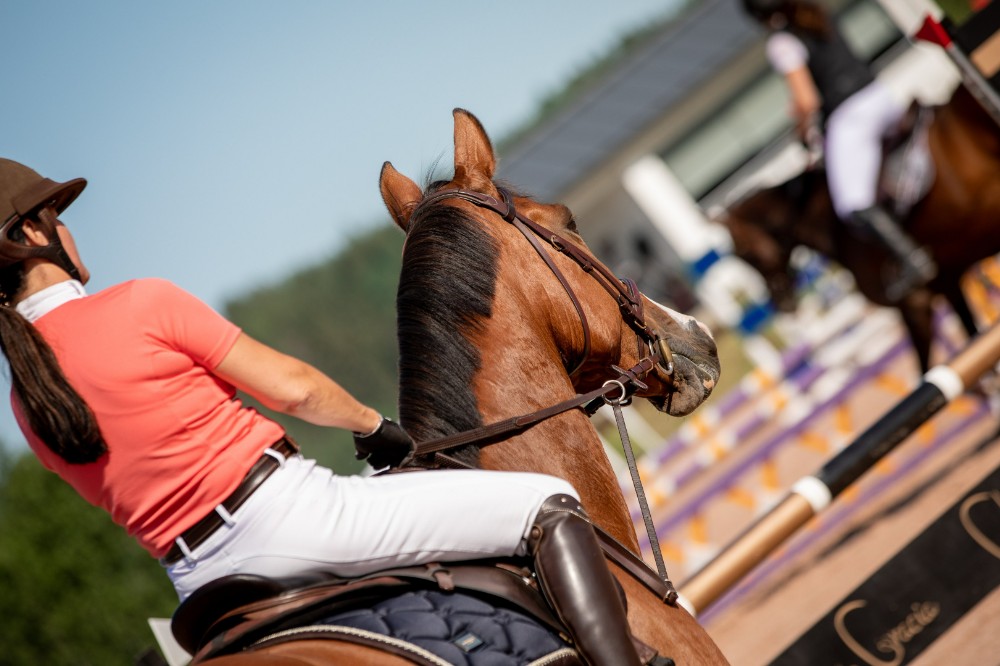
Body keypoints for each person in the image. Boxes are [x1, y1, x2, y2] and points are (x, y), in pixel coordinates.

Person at [0, 157, 658, 666]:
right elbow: (294, 389)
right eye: (58, 217)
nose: (69, 229)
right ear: (33, 233)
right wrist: (375, 427)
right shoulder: (139, 304)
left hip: (197, 582)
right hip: (294, 519)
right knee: (546, 503)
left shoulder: (26, 398)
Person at [743, 0, 937, 301]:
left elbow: (807, 100)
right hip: (880, 95)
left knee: (851, 204)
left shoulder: (781, 42)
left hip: (852, 115)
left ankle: (912, 258)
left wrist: (801, 127)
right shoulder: (815, 14)